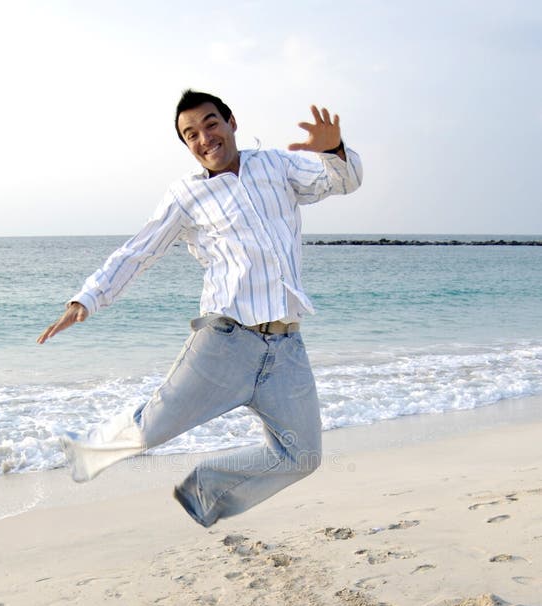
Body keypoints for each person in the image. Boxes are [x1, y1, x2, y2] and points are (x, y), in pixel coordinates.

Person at [37, 90, 362, 527]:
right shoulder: (185, 195)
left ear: (230, 122)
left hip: (286, 347)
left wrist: (333, 151)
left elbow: (341, 181)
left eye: (210, 124)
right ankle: (81, 453)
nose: (204, 138)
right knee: (151, 427)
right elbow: (139, 252)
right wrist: (88, 298)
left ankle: (205, 489)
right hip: (225, 341)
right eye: (190, 134)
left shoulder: (276, 166)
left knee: (302, 455)